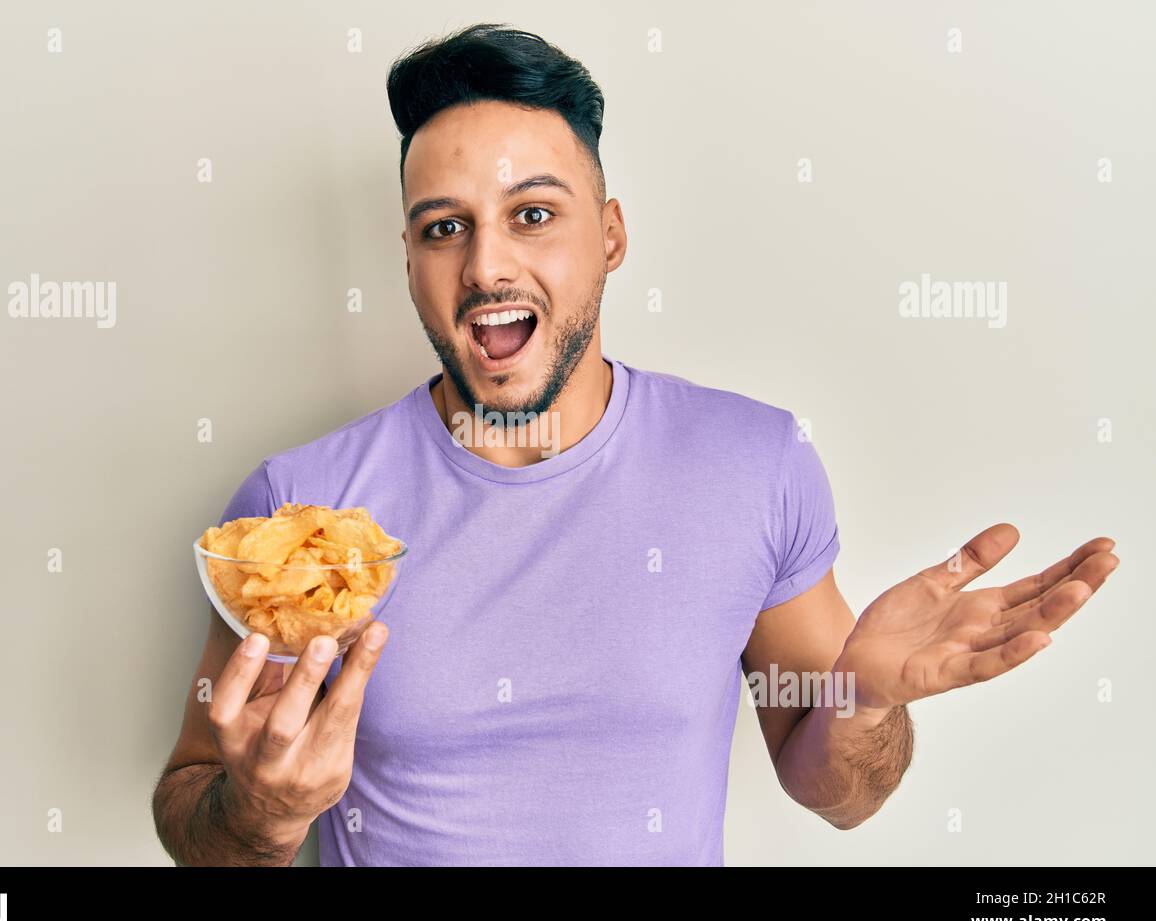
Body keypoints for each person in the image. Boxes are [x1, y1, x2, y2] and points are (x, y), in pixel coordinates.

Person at [152, 23, 1119, 866]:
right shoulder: (300, 515)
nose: (488, 265)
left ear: (610, 236)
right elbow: (196, 816)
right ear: (410, 260)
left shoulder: (754, 465)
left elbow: (841, 795)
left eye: (534, 215)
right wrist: (264, 818)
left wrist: (863, 703)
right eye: (445, 229)